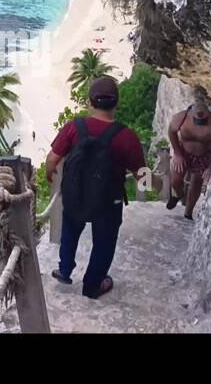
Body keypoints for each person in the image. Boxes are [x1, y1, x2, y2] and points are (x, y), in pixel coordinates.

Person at [44, 76, 146, 299]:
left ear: (90, 102)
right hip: (108, 200)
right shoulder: (127, 136)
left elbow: (53, 158)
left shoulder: (74, 127)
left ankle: (64, 270)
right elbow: (141, 174)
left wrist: (50, 175)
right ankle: (93, 285)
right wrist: (154, 183)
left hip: (76, 194)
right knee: (104, 242)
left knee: (70, 230)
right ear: (117, 103)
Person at [166, 95, 211, 220]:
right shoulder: (182, 117)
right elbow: (171, 131)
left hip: (204, 155)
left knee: (196, 182)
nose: (200, 122)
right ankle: (179, 195)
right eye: (197, 119)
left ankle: (188, 212)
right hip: (183, 152)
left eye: (202, 120)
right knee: (176, 180)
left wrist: (210, 166)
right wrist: (177, 154)